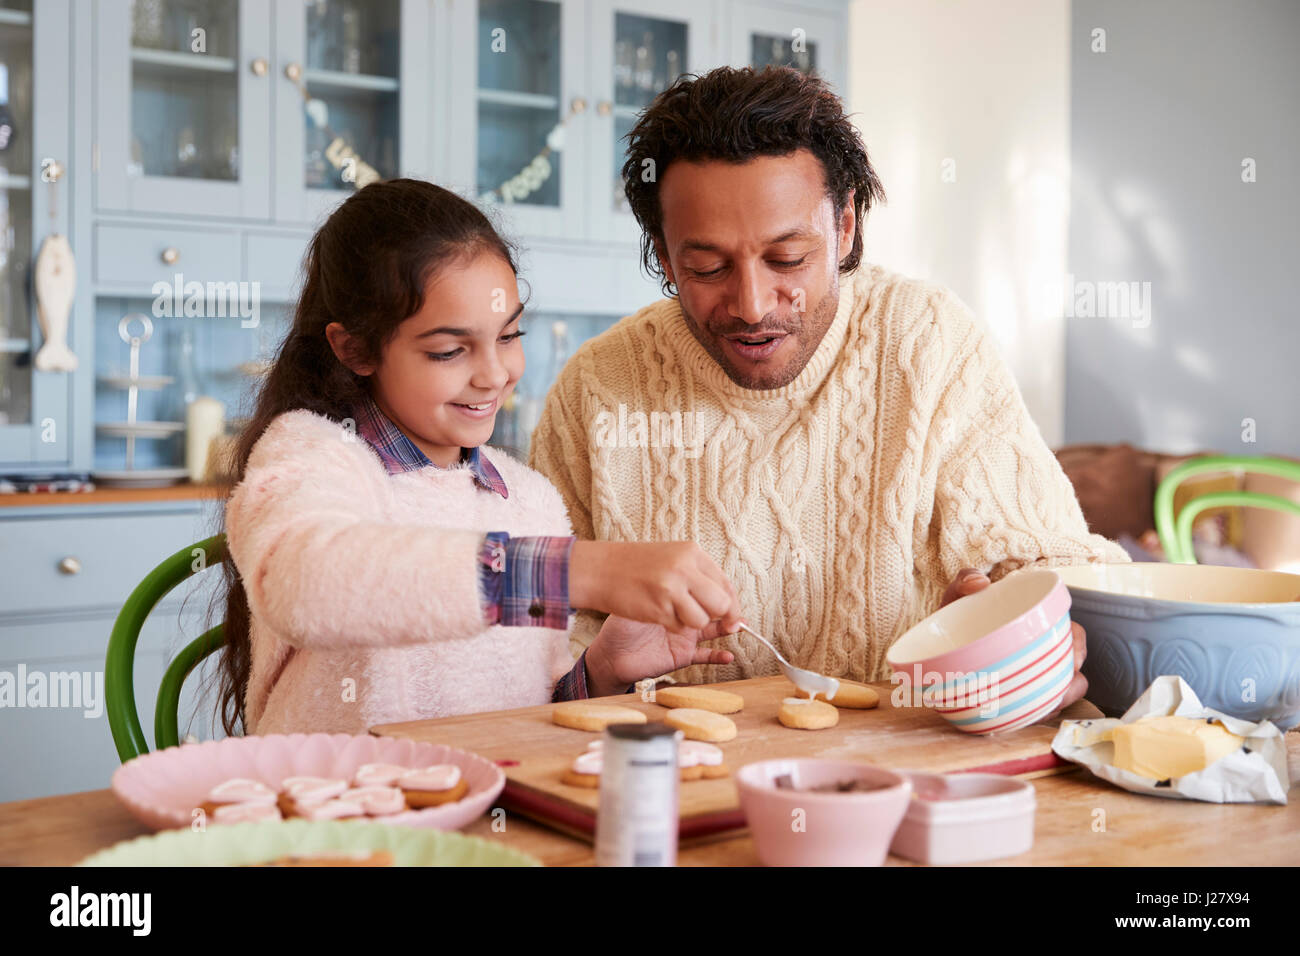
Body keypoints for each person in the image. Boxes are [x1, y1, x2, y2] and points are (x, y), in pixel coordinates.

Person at [529, 66, 1129, 713]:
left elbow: (1057, 568)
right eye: (707, 267)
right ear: (665, 256)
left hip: (908, 781)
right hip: (672, 793)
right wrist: (598, 670)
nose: (753, 305)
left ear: (844, 227)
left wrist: (1019, 626)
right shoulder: (596, 390)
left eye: (788, 259)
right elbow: (525, 673)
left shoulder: (929, 343)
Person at [213, 178, 742, 736]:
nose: (494, 374)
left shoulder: (528, 500)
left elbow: (527, 709)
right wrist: (573, 572)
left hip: (488, 810)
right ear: (357, 349)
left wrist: (603, 670)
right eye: (448, 350)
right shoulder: (316, 452)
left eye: (509, 335)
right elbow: (304, 583)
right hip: (340, 810)